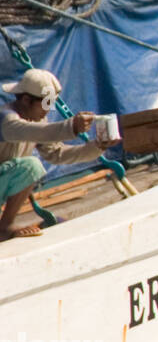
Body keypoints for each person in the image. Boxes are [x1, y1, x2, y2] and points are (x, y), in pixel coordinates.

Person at [1, 68, 114, 240]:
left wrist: (97, 146)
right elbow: (32, 132)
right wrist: (72, 127)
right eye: (46, 103)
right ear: (25, 100)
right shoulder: (6, 119)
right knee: (31, 166)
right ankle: (5, 227)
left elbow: (58, 153)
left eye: (51, 103)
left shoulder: (37, 122)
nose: (48, 110)